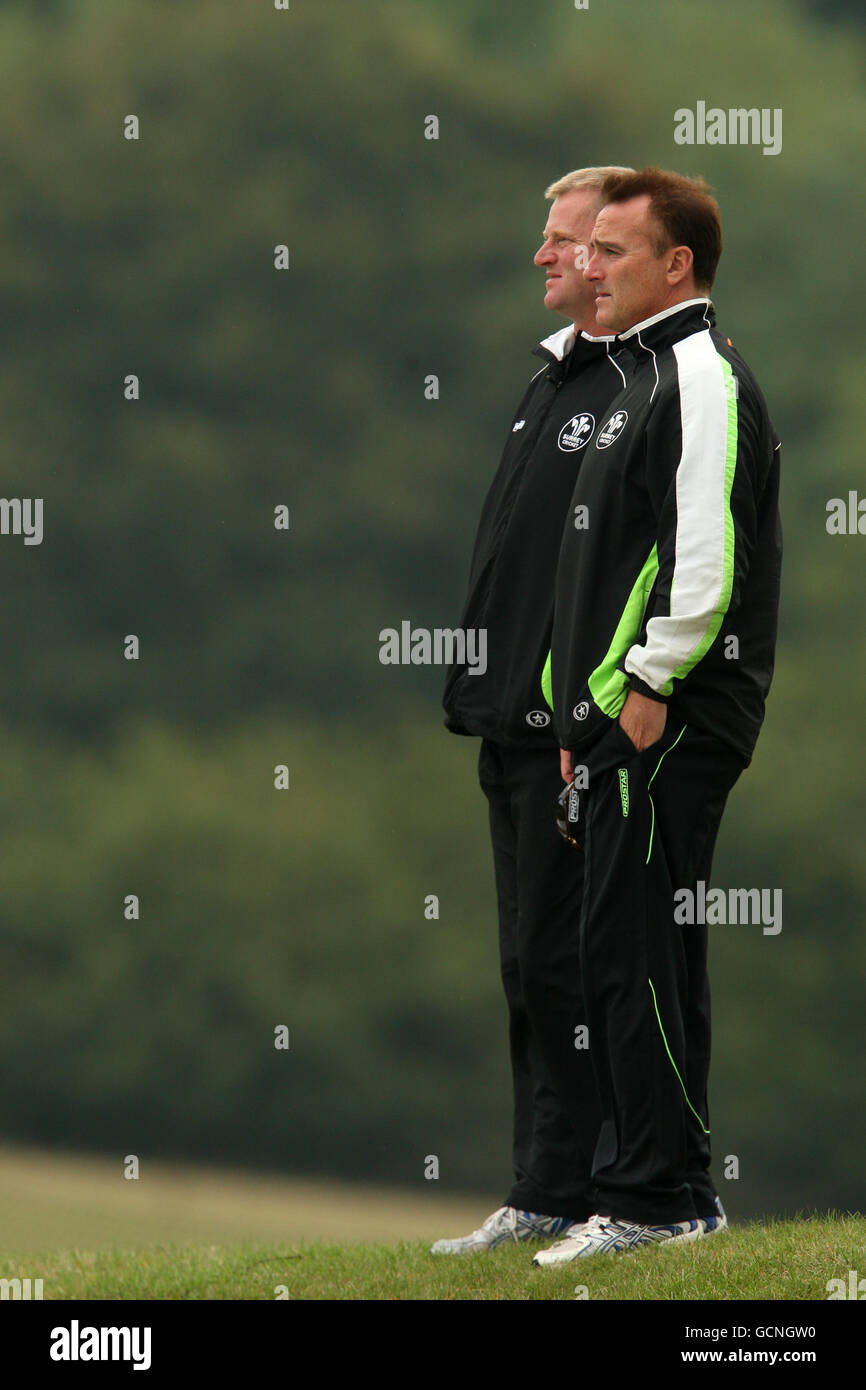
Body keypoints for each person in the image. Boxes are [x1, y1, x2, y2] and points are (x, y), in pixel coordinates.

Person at [533, 168, 782, 1264]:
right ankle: (671, 1194)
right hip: (623, 713)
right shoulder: (636, 374)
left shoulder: (695, 373)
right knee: (637, 952)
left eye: (611, 251)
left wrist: (642, 691)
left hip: (668, 712)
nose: (587, 266)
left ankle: (649, 1204)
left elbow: (701, 561)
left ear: (674, 265)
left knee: (632, 954)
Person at [433, 166, 633, 1255]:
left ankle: (612, 1192)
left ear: (612, 253)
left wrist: (583, 719)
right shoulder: (554, 377)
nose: (542, 256)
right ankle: (541, 1189)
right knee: (526, 961)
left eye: (562, 239)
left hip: (577, 735)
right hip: (510, 723)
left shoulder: (639, 387)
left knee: (577, 963)